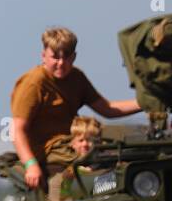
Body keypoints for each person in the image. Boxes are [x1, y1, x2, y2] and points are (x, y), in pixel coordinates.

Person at [10, 27, 140, 191]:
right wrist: (31, 165)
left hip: (73, 144)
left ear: (74, 57)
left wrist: (143, 103)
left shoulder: (76, 77)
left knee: (122, 153)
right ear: (44, 56)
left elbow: (107, 109)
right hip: (49, 153)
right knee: (90, 172)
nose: (61, 63)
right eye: (55, 57)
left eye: (67, 57)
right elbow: (17, 130)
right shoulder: (33, 84)